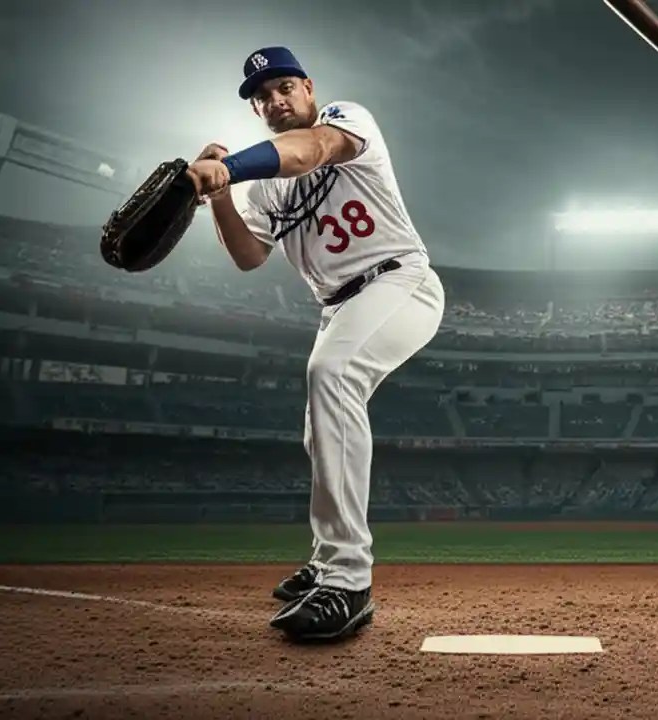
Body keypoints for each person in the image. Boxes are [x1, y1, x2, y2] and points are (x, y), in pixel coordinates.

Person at [185, 46, 446, 642]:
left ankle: (348, 580)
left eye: (283, 87)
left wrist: (229, 167)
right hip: (339, 306)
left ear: (307, 88)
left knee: (331, 376)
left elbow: (313, 151)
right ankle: (328, 560)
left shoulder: (345, 119)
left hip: (399, 281)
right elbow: (249, 257)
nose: (275, 100)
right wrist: (221, 194)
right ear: (255, 109)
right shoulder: (261, 189)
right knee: (319, 421)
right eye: (261, 96)